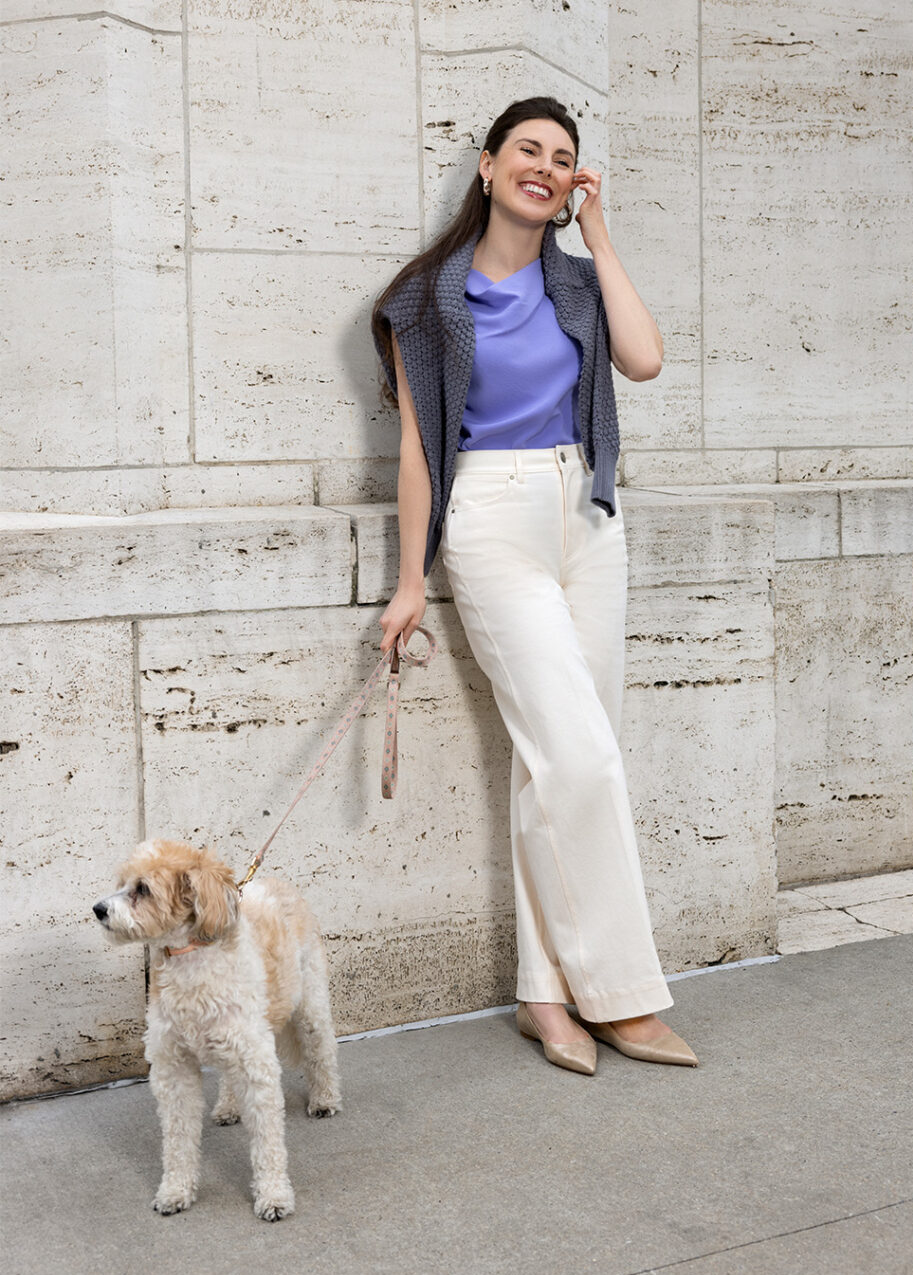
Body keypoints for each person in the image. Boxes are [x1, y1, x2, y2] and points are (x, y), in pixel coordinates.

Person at [371, 96, 697, 1074]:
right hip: (492, 520)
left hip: (589, 517)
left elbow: (642, 360)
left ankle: (544, 995)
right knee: (580, 760)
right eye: (528, 150)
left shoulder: (577, 280)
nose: (545, 167)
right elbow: (419, 451)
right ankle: (624, 997)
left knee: (551, 760)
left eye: (563, 159)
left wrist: (597, 231)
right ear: (486, 164)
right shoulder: (427, 300)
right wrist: (405, 583)